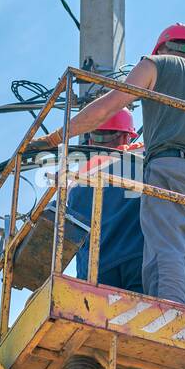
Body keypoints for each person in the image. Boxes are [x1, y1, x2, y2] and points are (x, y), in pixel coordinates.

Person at [31, 23, 185, 313]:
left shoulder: (155, 65)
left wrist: (55, 138)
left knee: (167, 247)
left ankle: (169, 314)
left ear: (162, 48)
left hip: (169, 168)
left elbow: (109, 105)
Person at [64, 109, 144, 291]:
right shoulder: (141, 161)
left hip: (93, 273)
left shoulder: (75, 183)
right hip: (138, 260)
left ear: (90, 140)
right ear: (127, 137)